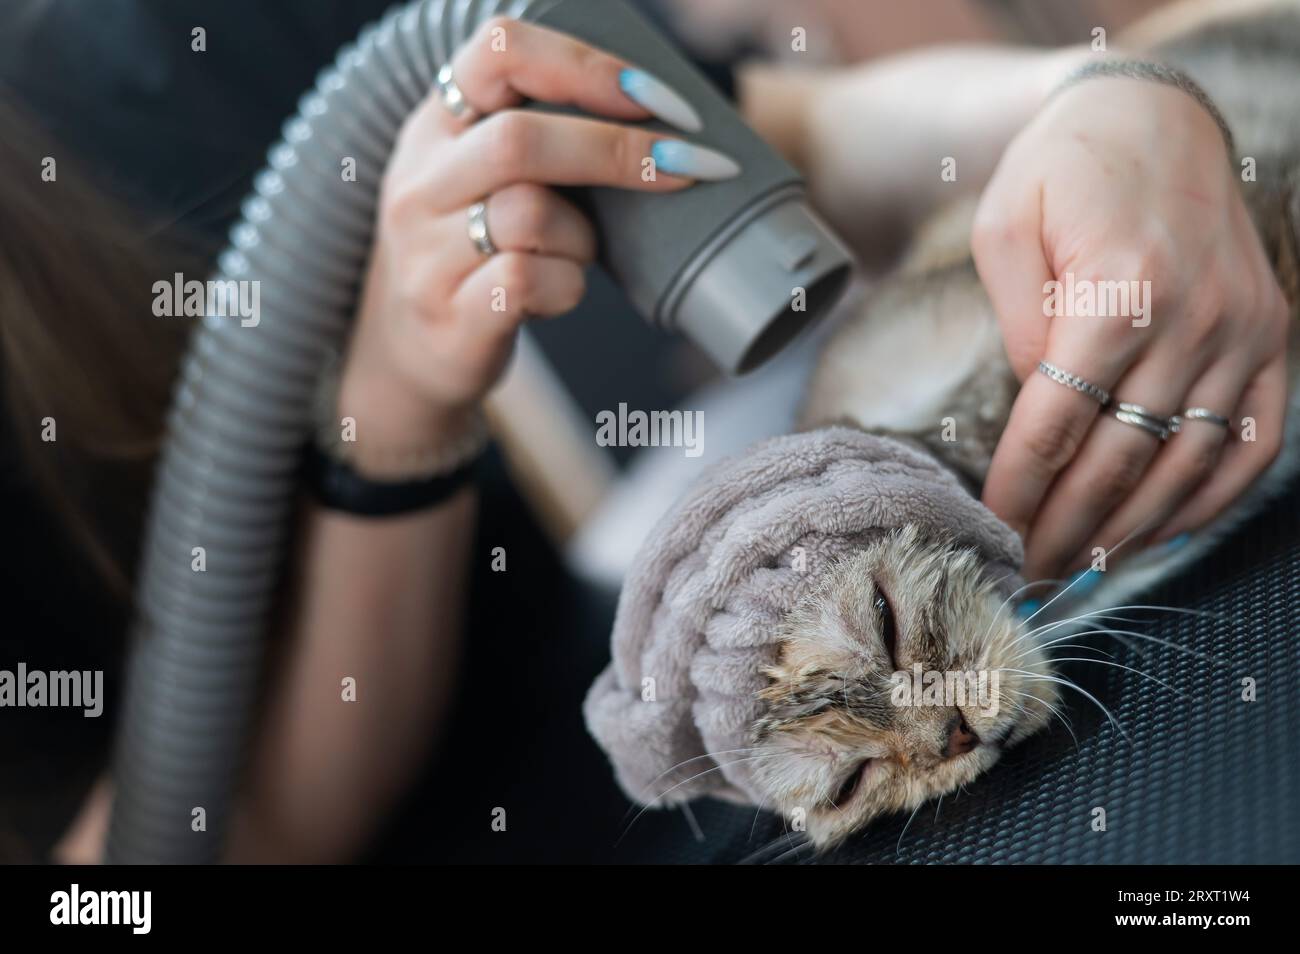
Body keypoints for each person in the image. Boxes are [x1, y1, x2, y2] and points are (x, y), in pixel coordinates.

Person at [3, 9, 1286, 862]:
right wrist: (395, 415)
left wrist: (1105, 100)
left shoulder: (159, 45)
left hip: (686, 739)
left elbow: (807, 138)